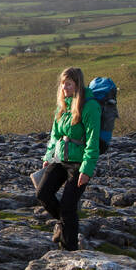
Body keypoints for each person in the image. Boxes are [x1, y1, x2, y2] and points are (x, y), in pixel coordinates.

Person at [36, 66, 101, 251]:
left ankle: (69, 250)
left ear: (77, 84)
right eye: (63, 83)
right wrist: (49, 156)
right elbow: (54, 135)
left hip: (79, 163)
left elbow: (92, 141)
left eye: (69, 84)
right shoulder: (63, 105)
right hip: (60, 160)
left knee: (68, 207)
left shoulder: (90, 107)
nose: (64, 87)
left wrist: (86, 170)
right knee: (43, 193)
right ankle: (63, 225)